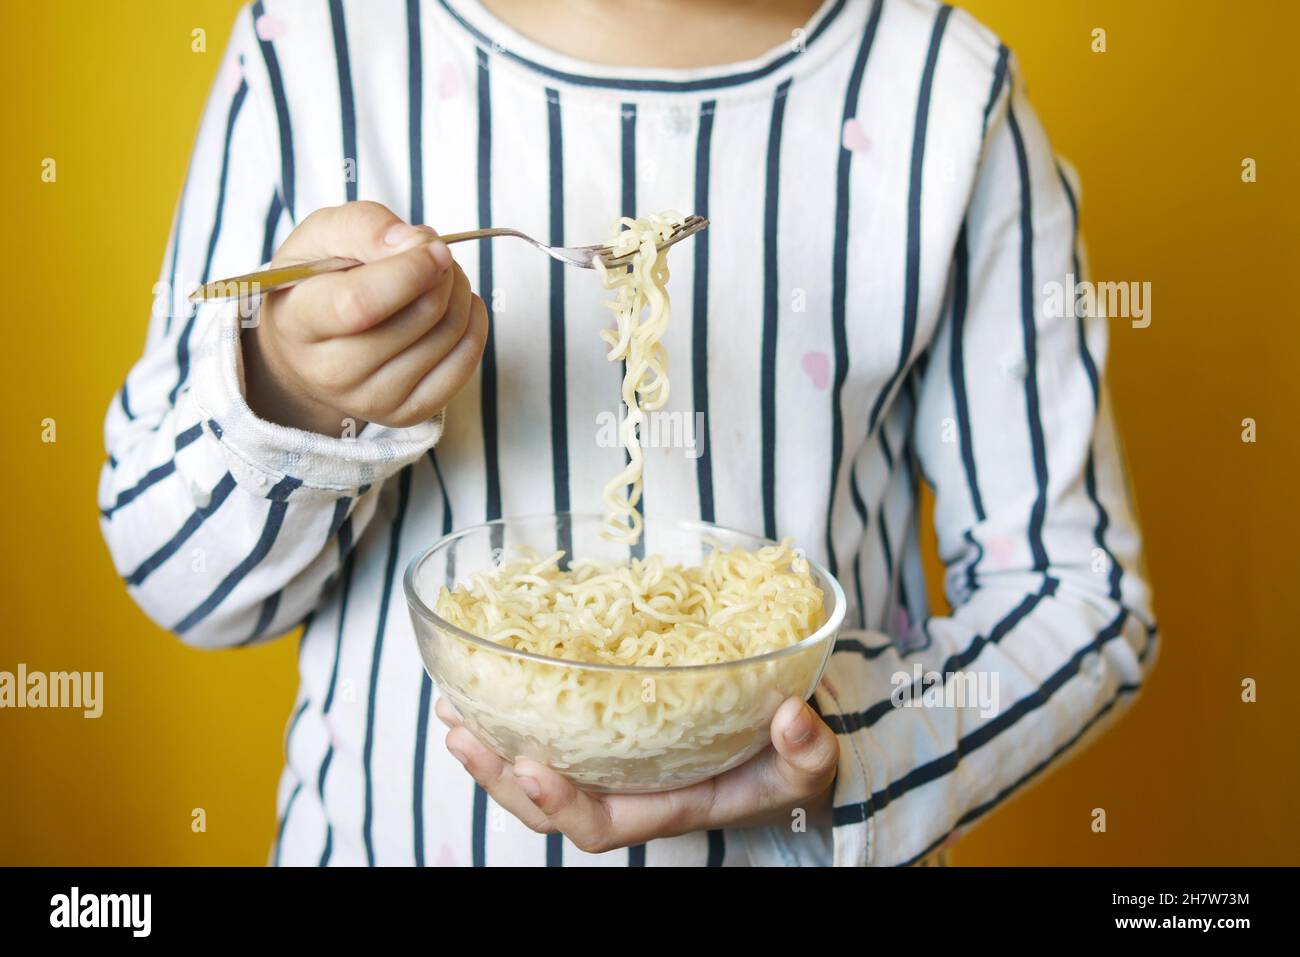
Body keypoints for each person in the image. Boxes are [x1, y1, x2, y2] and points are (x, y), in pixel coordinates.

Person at [99, 0, 1158, 866]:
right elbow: (179, 580)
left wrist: (859, 747)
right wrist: (289, 392)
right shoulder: (320, 44)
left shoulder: (942, 91)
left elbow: (1076, 594)